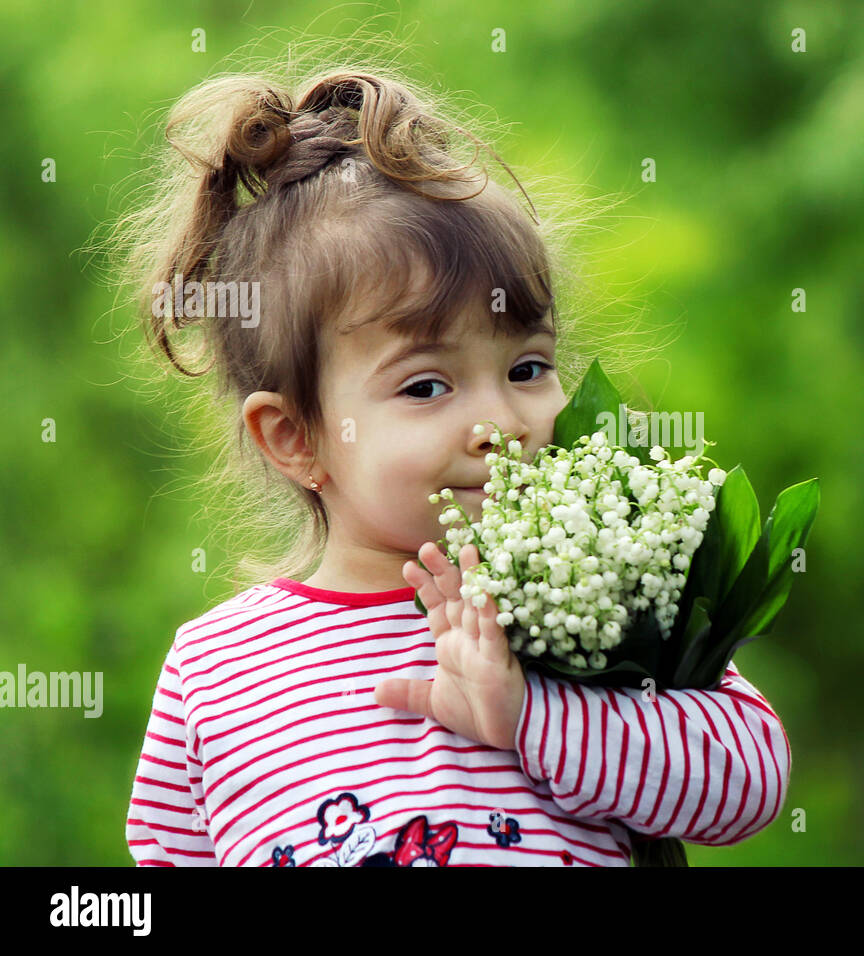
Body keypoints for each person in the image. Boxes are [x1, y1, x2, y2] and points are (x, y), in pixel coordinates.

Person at [120, 60, 790, 866]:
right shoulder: (217, 670)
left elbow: (748, 779)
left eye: (528, 369)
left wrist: (529, 715)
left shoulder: (589, 594)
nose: (501, 423)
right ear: (296, 437)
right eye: (427, 385)